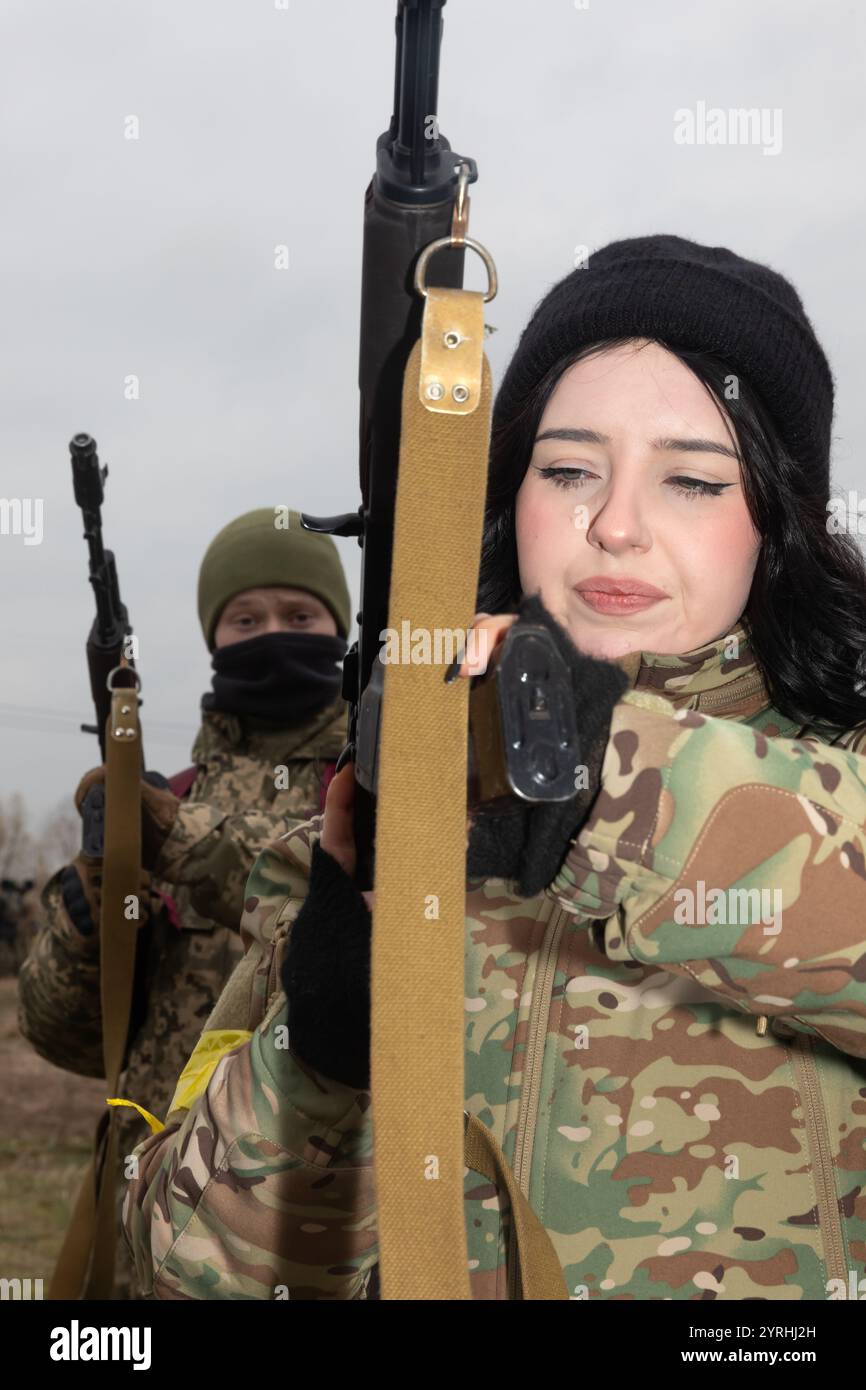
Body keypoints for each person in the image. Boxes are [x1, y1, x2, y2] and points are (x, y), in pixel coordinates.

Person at [123, 237, 866, 1301]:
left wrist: (598, 780)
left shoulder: (834, 766)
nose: (613, 523)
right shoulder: (365, 824)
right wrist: (318, 1059)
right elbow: (178, 1282)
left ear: (775, 521)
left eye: (693, 480)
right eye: (565, 469)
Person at [18, 506, 351, 1298]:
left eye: (299, 615)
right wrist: (90, 915)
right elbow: (65, 1037)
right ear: (214, 638)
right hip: (166, 1214)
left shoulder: (371, 789)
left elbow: (338, 898)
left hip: (334, 1217)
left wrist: (181, 842)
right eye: (246, 617)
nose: (273, 631)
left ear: (340, 630)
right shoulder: (170, 797)